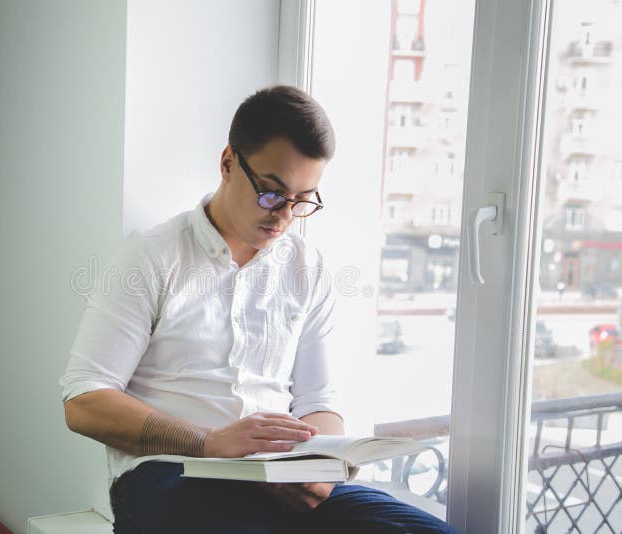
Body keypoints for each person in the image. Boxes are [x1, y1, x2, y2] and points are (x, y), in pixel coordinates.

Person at [59, 86, 456, 533]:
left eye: (303, 200)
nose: (284, 216)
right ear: (228, 163)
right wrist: (208, 441)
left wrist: (319, 464)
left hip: (277, 477)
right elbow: (85, 400)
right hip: (173, 474)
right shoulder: (152, 256)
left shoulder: (307, 267)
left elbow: (317, 402)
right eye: (271, 193)